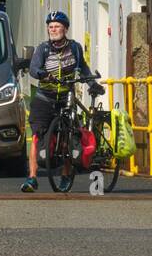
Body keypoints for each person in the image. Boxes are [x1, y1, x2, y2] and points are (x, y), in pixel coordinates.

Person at [21, 10, 102, 192]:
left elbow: (83, 69)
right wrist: (43, 74)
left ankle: (66, 175)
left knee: (69, 136)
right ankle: (32, 178)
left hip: (67, 98)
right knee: (36, 136)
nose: (53, 29)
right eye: (50, 27)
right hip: (45, 98)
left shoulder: (74, 48)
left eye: (57, 26)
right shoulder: (43, 49)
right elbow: (34, 68)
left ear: (65, 29)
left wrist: (92, 84)